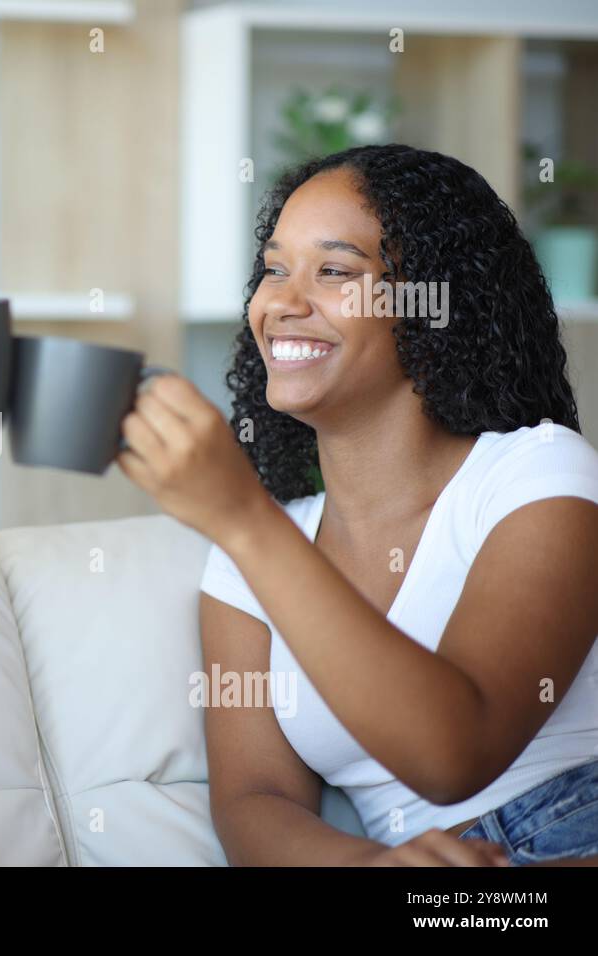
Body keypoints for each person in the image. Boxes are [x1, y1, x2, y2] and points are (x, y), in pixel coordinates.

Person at [116, 144, 598, 866]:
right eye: (275, 269)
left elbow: (456, 751)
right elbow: (255, 801)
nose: (282, 303)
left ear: (435, 306)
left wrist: (241, 517)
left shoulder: (537, 473)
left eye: (335, 271)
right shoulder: (249, 559)